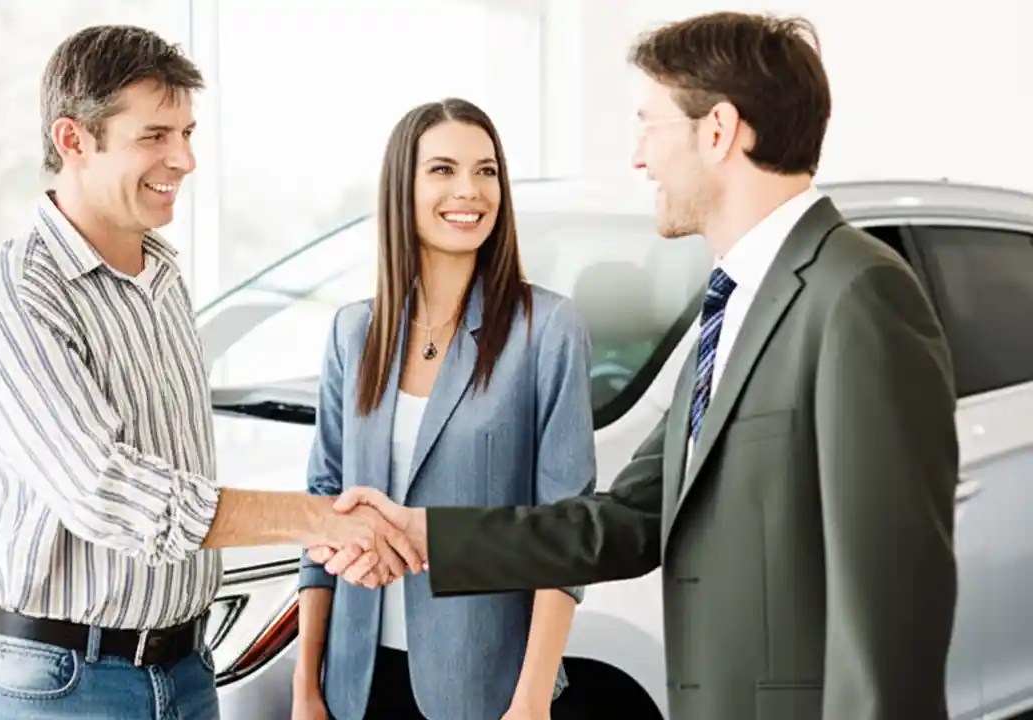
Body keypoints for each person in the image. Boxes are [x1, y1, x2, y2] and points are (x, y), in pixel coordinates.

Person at [326, 12, 959, 720]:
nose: (638, 158)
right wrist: (424, 536)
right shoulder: (732, 307)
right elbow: (625, 522)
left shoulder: (857, 293)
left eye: (649, 125)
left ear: (717, 130)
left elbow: (893, 610)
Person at [0, 25, 419, 720]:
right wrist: (324, 519)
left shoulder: (161, 275)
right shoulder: (18, 288)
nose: (185, 159)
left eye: (189, 132)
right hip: (59, 686)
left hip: (185, 672)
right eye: (156, 136)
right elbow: (107, 490)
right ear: (73, 139)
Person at [292, 99, 595, 720]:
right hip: (359, 682)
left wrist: (531, 701)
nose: (470, 190)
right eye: (443, 170)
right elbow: (322, 505)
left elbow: (565, 528)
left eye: (486, 171)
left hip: (487, 687)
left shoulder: (548, 329)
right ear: (402, 186)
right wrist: (308, 685)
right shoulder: (355, 332)